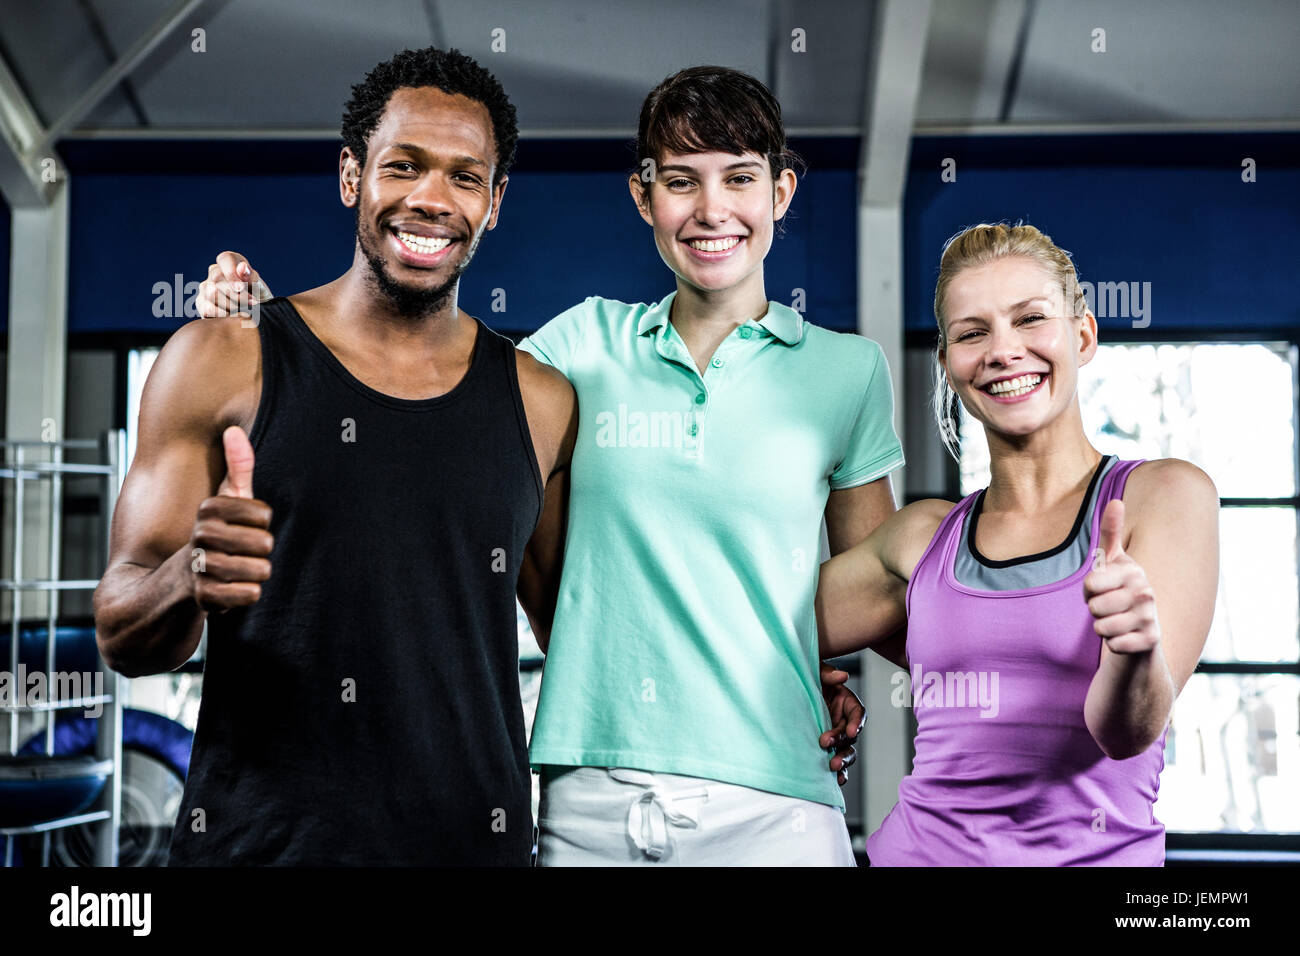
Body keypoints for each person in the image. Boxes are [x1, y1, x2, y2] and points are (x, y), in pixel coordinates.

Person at [198, 66, 901, 866]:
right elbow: (413, 388)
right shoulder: (572, 351)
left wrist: (810, 668)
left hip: (776, 794)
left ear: (780, 191)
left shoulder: (850, 372)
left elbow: (865, 590)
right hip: (588, 793)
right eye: (680, 181)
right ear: (644, 198)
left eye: (739, 179)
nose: (712, 211)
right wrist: (271, 326)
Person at [93, 47, 578, 866]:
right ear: (352, 175)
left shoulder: (541, 400)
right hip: (257, 851)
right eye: (405, 166)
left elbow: (588, 632)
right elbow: (122, 629)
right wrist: (189, 575)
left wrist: (779, 679)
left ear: (495, 204)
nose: (432, 200)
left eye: (466, 178)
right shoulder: (225, 357)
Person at [815, 222, 1219, 865]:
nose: (1003, 351)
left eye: (1030, 319)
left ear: (1082, 335)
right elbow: (753, 631)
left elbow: (1126, 734)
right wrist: (814, 682)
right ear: (948, 364)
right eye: (973, 333)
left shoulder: (1164, 497)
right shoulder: (923, 537)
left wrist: (1136, 649)